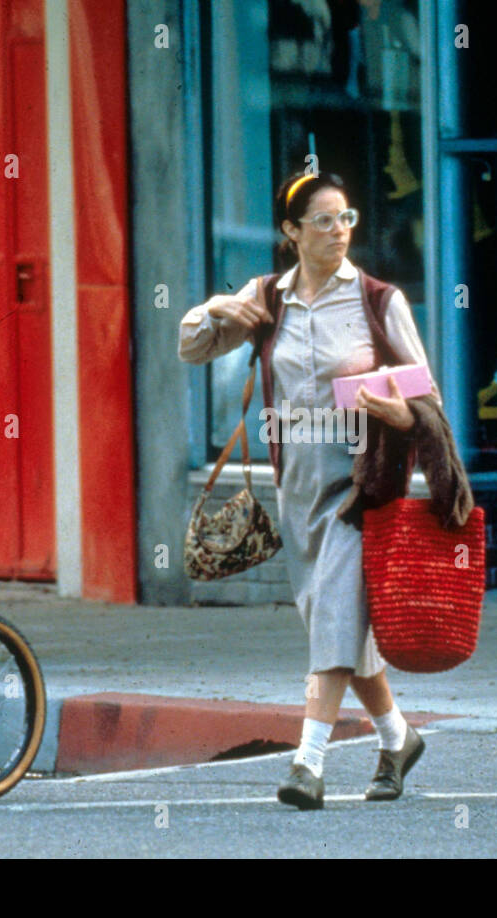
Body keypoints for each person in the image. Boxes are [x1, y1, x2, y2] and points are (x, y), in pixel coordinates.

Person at [179, 170, 428, 809]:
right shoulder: (270, 298)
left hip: (360, 483)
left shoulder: (378, 300)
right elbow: (193, 350)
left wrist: (395, 409)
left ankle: (307, 764)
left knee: (336, 617)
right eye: (323, 221)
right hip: (297, 487)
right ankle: (398, 739)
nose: (339, 232)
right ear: (291, 232)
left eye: (346, 218)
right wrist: (212, 307)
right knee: (334, 623)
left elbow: (425, 395)